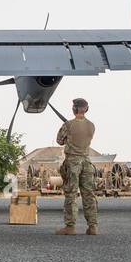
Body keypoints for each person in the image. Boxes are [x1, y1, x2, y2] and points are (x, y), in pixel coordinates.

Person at [56, 97, 98, 236]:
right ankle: (92, 227)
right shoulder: (92, 125)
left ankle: (70, 226)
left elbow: (59, 141)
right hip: (87, 162)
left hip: (73, 162)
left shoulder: (68, 125)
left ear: (74, 109)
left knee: (71, 195)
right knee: (89, 195)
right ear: (86, 109)